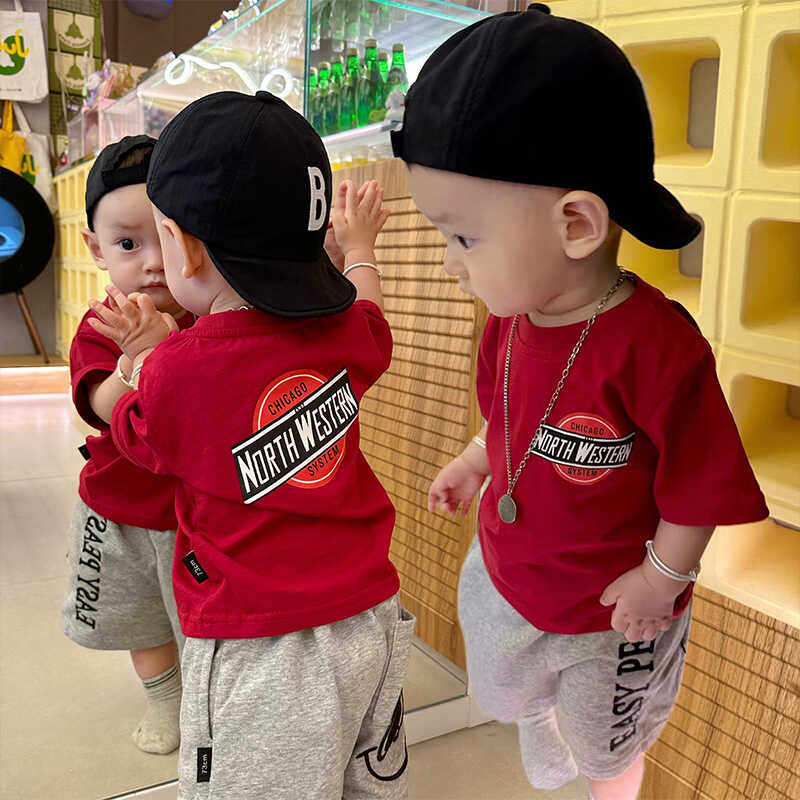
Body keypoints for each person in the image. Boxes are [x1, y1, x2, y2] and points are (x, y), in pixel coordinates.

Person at [392, 6, 769, 800]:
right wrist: (474, 460)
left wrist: (661, 579)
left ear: (576, 224)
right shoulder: (511, 320)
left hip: (614, 611)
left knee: (607, 740)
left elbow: (700, 488)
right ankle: (541, 711)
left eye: (463, 238)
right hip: (512, 575)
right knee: (504, 689)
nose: (451, 263)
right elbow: (506, 417)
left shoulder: (657, 347)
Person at [88, 91, 414, 800]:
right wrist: (359, 251)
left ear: (186, 246)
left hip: (256, 640)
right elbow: (372, 313)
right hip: (371, 617)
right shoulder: (345, 331)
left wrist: (142, 356)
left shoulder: (179, 368)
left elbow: (135, 434)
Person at [62, 135, 191, 755]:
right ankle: (165, 699)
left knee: (200, 619)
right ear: (96, 249)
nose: (155, 263)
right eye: (129, 244)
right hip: (120, 510)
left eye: (168, 236)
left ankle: (207, 698)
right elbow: (101, 408)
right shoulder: (103, 325)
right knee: (142, 620)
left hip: (196, 512)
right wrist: (137, 357)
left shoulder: (213, 313)